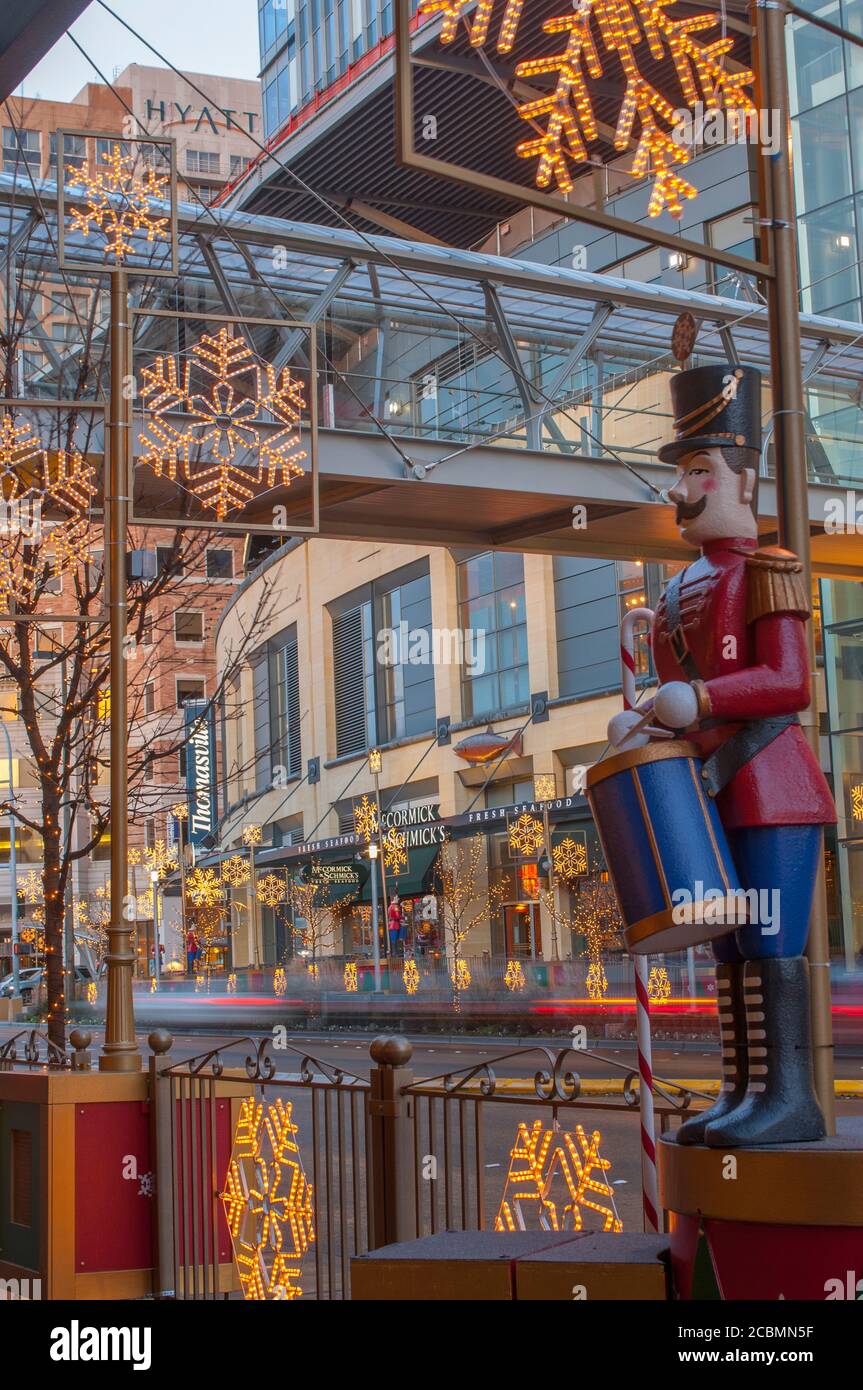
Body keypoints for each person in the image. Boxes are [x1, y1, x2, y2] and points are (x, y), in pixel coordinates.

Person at [609, 363, 834, 1147]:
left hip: (773, 786)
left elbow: (789, 682)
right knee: (732, 947)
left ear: (742, 483)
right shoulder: (673, 594)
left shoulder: (768, 572)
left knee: (771, 941)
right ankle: (744, 1092)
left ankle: (788, 1096)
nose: (681, 490)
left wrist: (699, 702)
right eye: (679, 474)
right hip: (711, 787)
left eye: (699, 471)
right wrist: (649, 724)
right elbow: (679, 701)